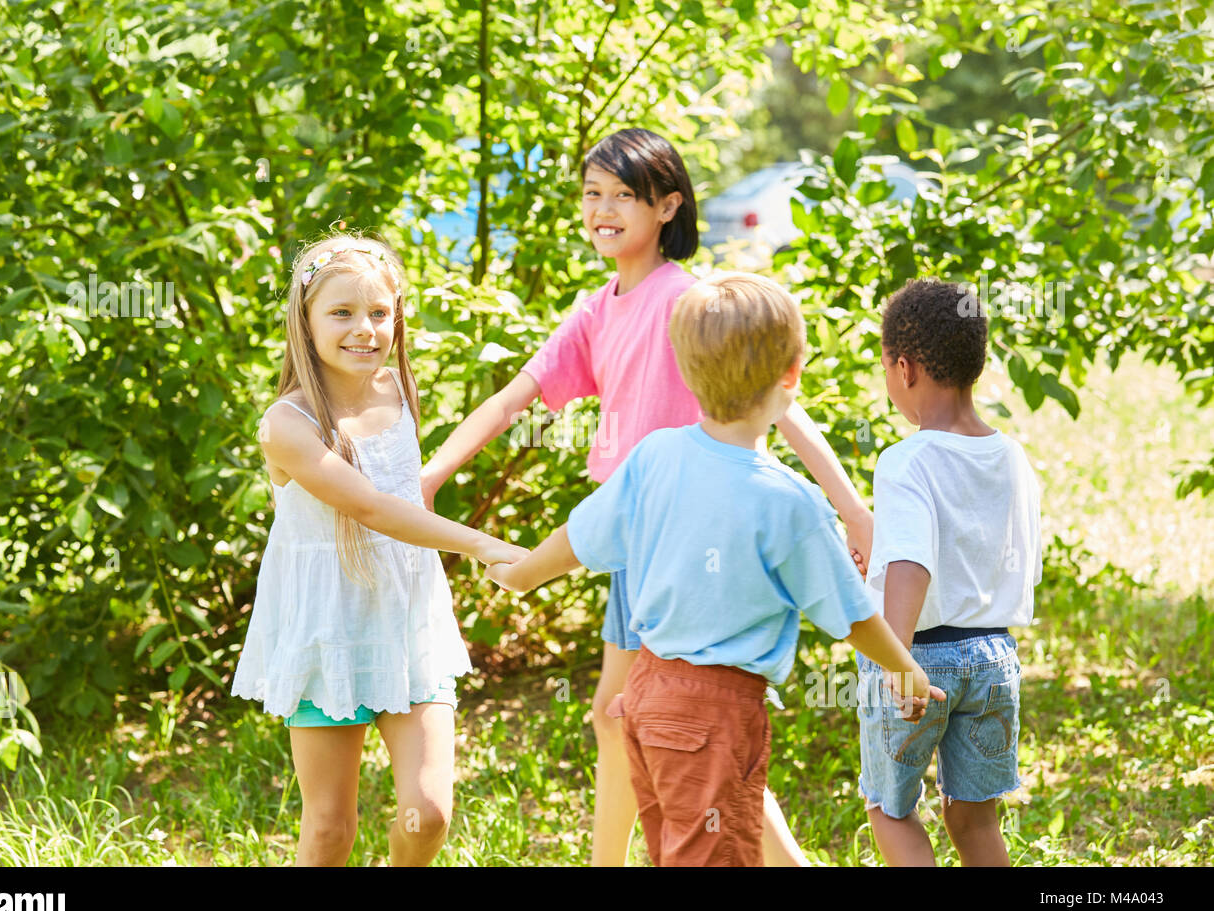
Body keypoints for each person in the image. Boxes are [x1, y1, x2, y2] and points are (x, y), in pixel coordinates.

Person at [421, 128, 874, 867]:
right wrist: (433, 473)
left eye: (621, 196)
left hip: (692, 543)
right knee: (631, 716)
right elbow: (513, 400)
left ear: (667, 207)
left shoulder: (690, 302)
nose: (602, 210)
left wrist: (852, 509)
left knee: (658, 719)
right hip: (640, 539)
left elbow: (783, 407)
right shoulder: (598, 308)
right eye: (591, 195)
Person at [484, 272, 942, 866]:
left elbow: (582, 535)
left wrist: (522, 574)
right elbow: (850, 613)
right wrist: (903, 668)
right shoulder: (790, 501)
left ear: (685, 369)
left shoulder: (655, 456)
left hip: (645, 694)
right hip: (716, 711)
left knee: (680, 849)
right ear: (792, 377)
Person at [231, 233, 526, 867]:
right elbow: (369, 507)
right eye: (341, 312)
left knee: (428, 815)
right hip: (327, 630)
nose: (364, 329)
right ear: (304, 321)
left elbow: (402, 491)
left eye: (379, 313)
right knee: (331, 828)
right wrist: (485, 546)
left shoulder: (395, 390)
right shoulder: (288, 425)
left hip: (407, 625)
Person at [857, 277, 1042, 866]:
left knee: (891, 810)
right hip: (993, 659)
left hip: (919, 659)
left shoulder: (907, 459)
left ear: (904, 369)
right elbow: (994, 551)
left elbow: (913, 561)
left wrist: (898, 661)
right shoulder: (1011, 455)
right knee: (974, 814)